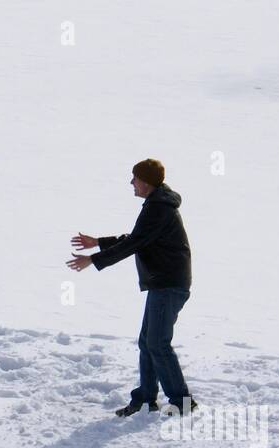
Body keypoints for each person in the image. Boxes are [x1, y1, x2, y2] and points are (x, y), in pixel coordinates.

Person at [66, 158, 196, 417]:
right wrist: (99, 242)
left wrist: (94, 259)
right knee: (148, 342)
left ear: (145, 182)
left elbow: (135, 243)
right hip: (163, 283)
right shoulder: (157, 204)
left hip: (169, 284)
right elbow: (139, 238)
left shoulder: (159, 207)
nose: (131, 183)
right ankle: (145, 400)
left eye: (134, 178)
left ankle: (182, 402)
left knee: (157, 342)